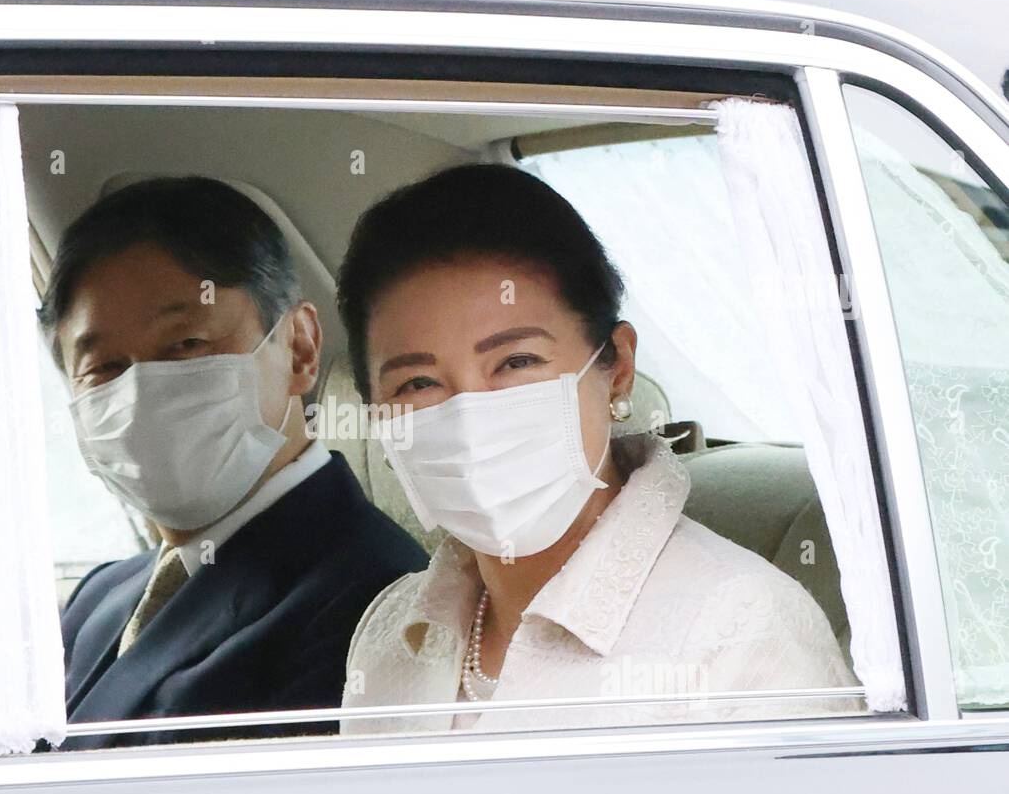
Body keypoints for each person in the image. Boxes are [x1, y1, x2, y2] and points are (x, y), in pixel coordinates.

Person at [336, 164, 863, 735]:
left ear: (617, 368)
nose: (469, 415)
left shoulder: (742, 633)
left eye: (517, 363)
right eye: (417, 384)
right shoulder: (391, 629)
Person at [41, 176, 427, 748]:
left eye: (187, 345)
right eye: (105, 369)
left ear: (299, 347)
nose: (143, 392)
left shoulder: (376, 600)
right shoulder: (103, 594)